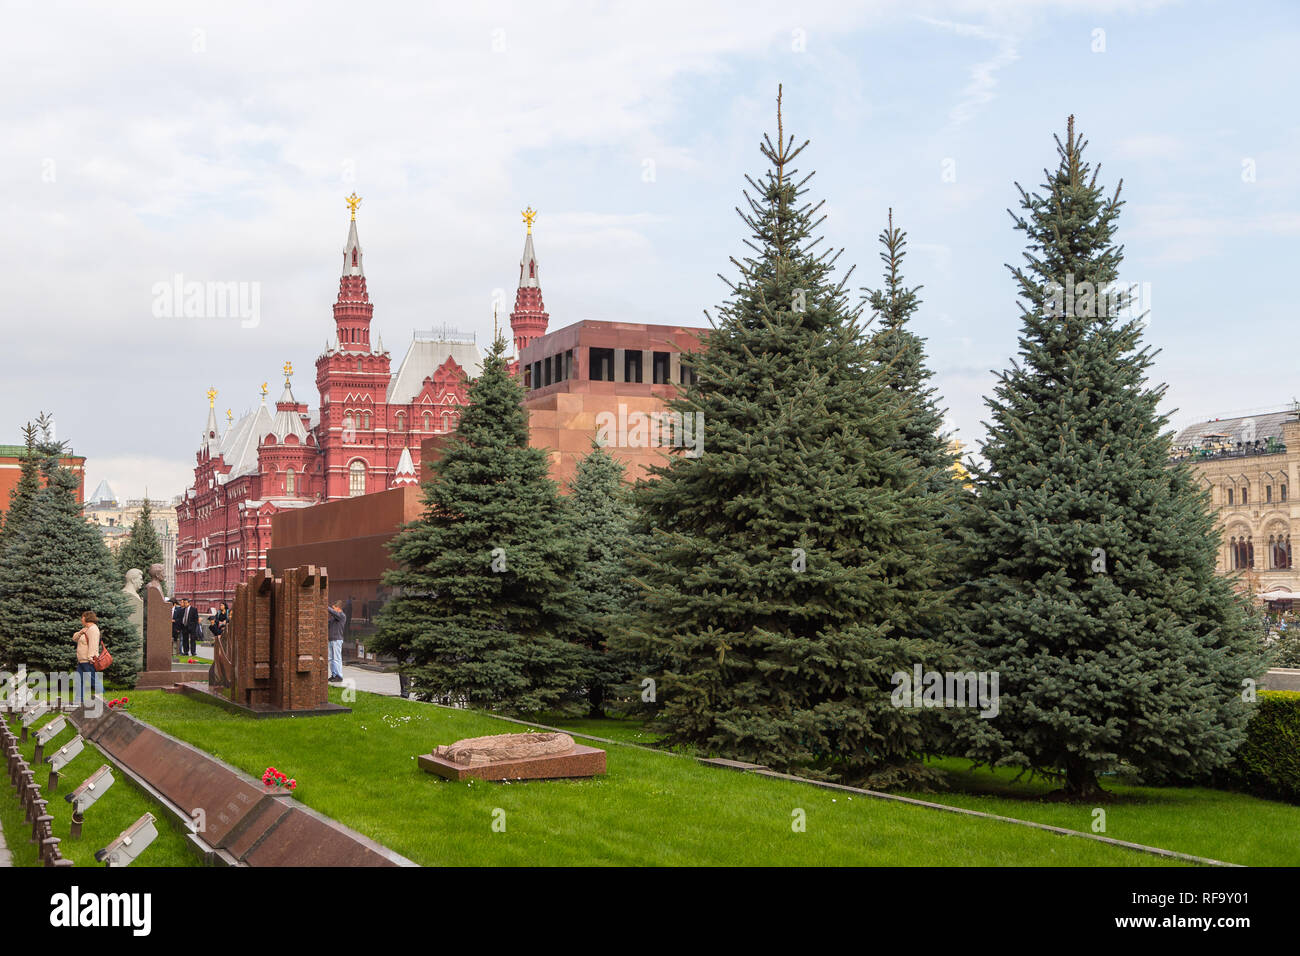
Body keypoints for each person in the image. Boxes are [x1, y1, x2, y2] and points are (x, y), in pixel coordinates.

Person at [73, 611, 102, 705]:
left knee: (93, 680)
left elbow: (93, 644)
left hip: (88, 660)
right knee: (79, 680)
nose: (81, 619)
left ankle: (103, 699)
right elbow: (74, 638)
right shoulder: (86, 628)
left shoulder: (93, 629)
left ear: (87, 618)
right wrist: (81, 632)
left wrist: (91, 657)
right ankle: (78, 701)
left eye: (82, 617)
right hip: (82, 660)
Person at [327, 601, 346, 683]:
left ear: (338, 608)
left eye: (334, 608)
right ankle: (334, 675)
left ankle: (339, 676)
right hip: (331, 640)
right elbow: (328, 623)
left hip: (337, 640)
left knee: (337, 658)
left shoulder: (341, 615)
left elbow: (333, 613)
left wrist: (325, 606)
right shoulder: (334, 618)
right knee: (331, 659)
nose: (333, 611)